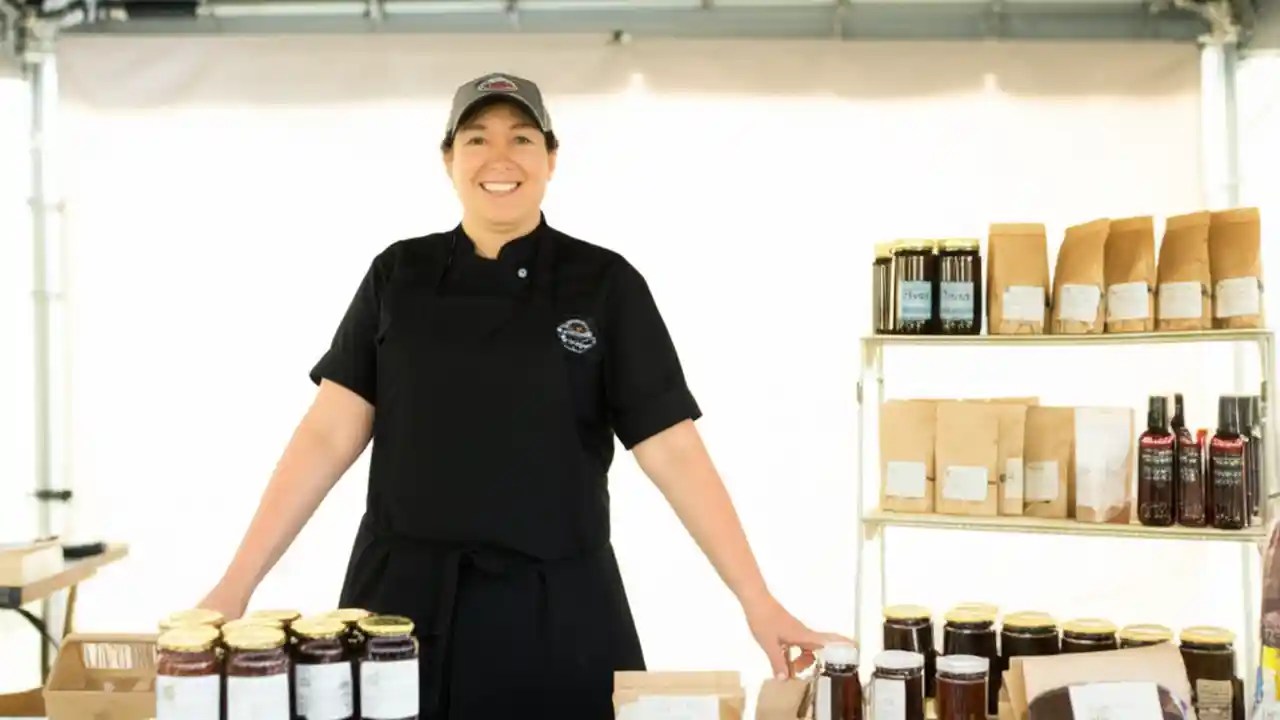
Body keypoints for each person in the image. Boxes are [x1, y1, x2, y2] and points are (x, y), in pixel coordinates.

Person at [199, 71, 842, 718]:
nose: (499, 157)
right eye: (477, 139)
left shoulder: (604, 285)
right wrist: (235, 586)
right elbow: (326, 435)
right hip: (402, 615)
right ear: (449, 159)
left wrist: (758, 601)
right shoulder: (398, 275)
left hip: (557, 612)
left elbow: (673, 450)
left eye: (522, 138)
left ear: (551, 158)